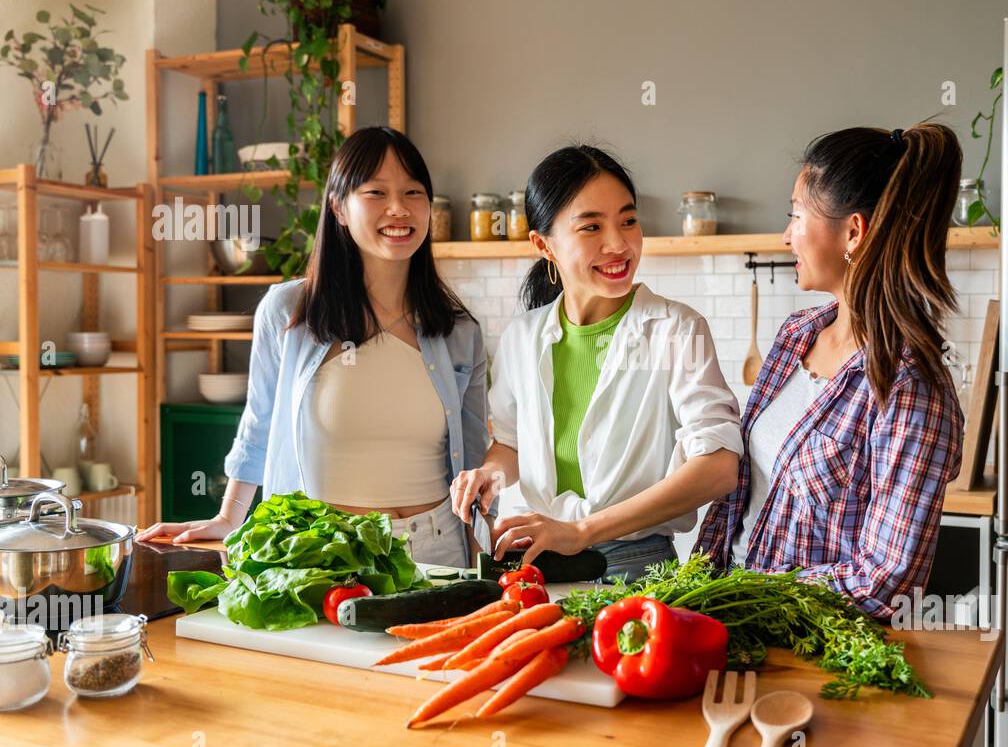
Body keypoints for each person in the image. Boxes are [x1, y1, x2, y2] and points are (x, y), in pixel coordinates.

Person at [137, 126, 489, 567]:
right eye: (376, 192)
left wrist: (484, 559)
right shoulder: (290, 312)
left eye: (413, 192)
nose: (398, 209)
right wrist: (230, 516)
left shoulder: (459, 331)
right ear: (340, 208)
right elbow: (260, 420)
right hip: (323, 551)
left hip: (438, 551)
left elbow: (475, 458)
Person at [694, 123, 965, 619]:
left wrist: (747, 599)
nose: (785, 235)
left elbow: (886, 580)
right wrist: (698, 596)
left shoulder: (909, 386)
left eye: (795, 217)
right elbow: (740, 497)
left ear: (853, 233)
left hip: (808, 647)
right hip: (730, 626)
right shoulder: (796, 335)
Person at [451, 145, 742, 582]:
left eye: (628, 220)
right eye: (592, 226)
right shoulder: (522, 337)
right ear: (543, 244)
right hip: (535, 567)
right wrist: (491, 473)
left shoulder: (677, 329)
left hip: (638, 571)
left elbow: (719, 467)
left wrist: (581, 531)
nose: (619, 244)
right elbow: (509, 443)